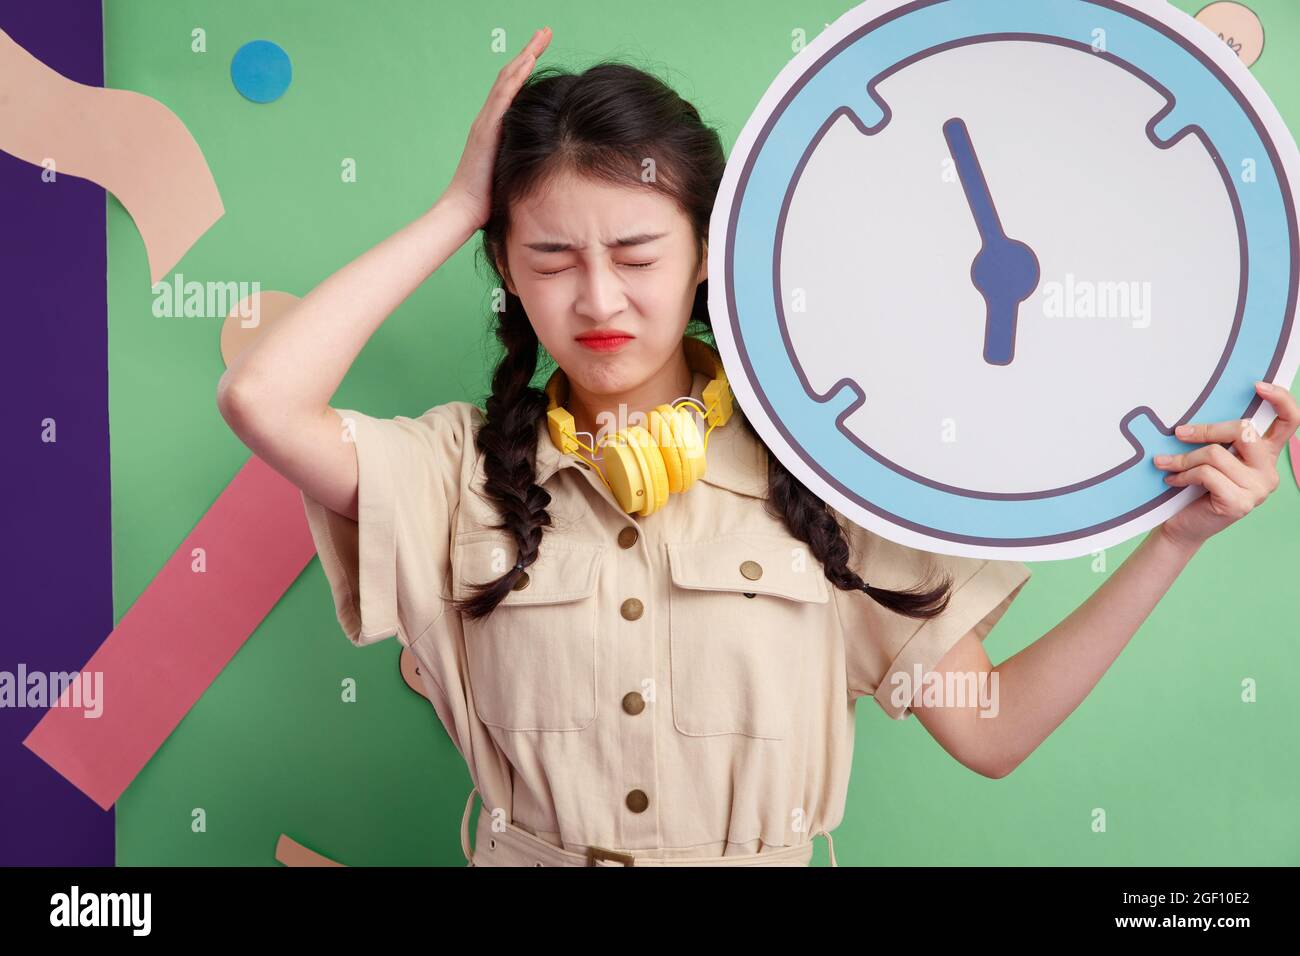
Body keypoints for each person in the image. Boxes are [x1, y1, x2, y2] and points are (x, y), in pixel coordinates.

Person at [216, 26, 1299, 867]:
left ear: (706, 256)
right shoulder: (452, 468)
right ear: (504, 265)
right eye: (548, 255)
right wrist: (460, 203)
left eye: (637, 250)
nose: (598, 296)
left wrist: (1174, 542)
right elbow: (264, 396)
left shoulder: (830, 464)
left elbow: (993, 729)